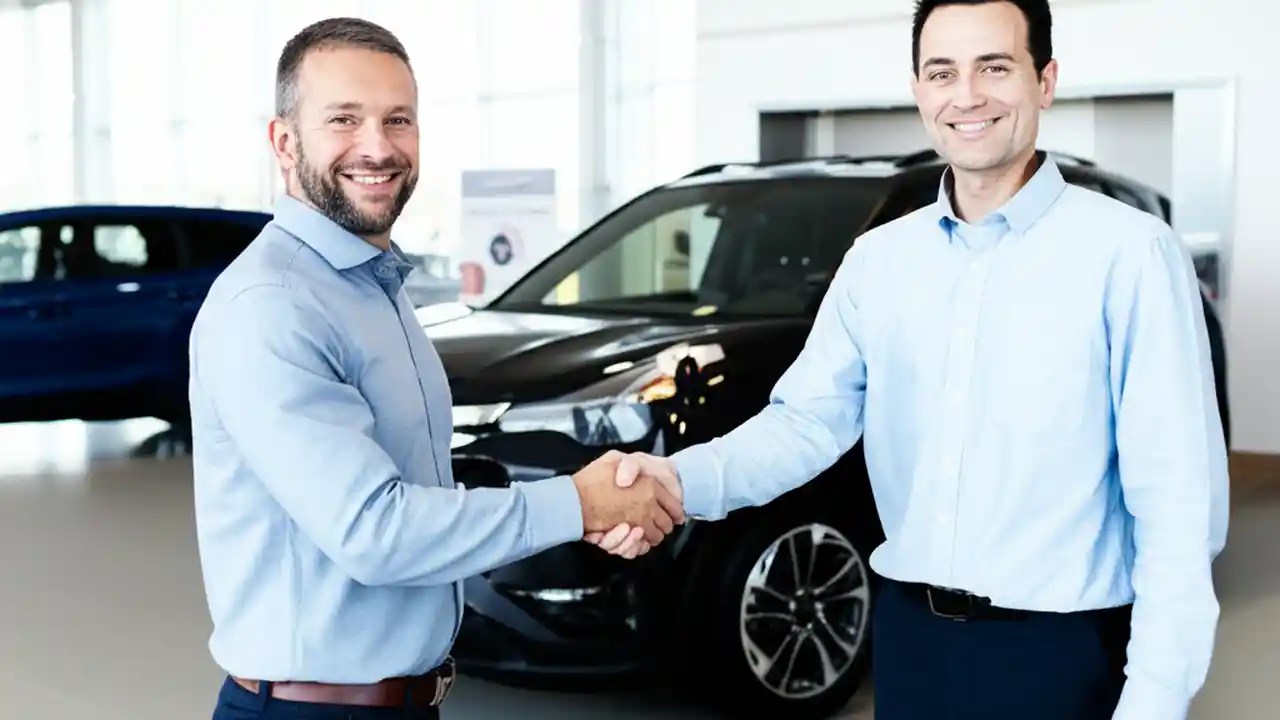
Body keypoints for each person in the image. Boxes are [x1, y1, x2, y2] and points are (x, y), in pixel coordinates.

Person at [589, 1, 1230, 718]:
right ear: (920, 90)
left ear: (1044, 80)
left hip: (1064, 654)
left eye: (995, 66)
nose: (967, 96)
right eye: (942, 72)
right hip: (911, 646)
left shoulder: (1130, 254)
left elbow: (1178, 507)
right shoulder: (880, 261)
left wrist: (1154, 703)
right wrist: (674, 479)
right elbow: (805, 425)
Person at [188, 17, 681, 720]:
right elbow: (375, 531)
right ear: (284, 141)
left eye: (399, 119)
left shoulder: (369, 286)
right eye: (344, 120)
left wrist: (583, 510)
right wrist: (582, 503)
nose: (378, 147)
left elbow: (414, 480)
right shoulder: (272, 305)